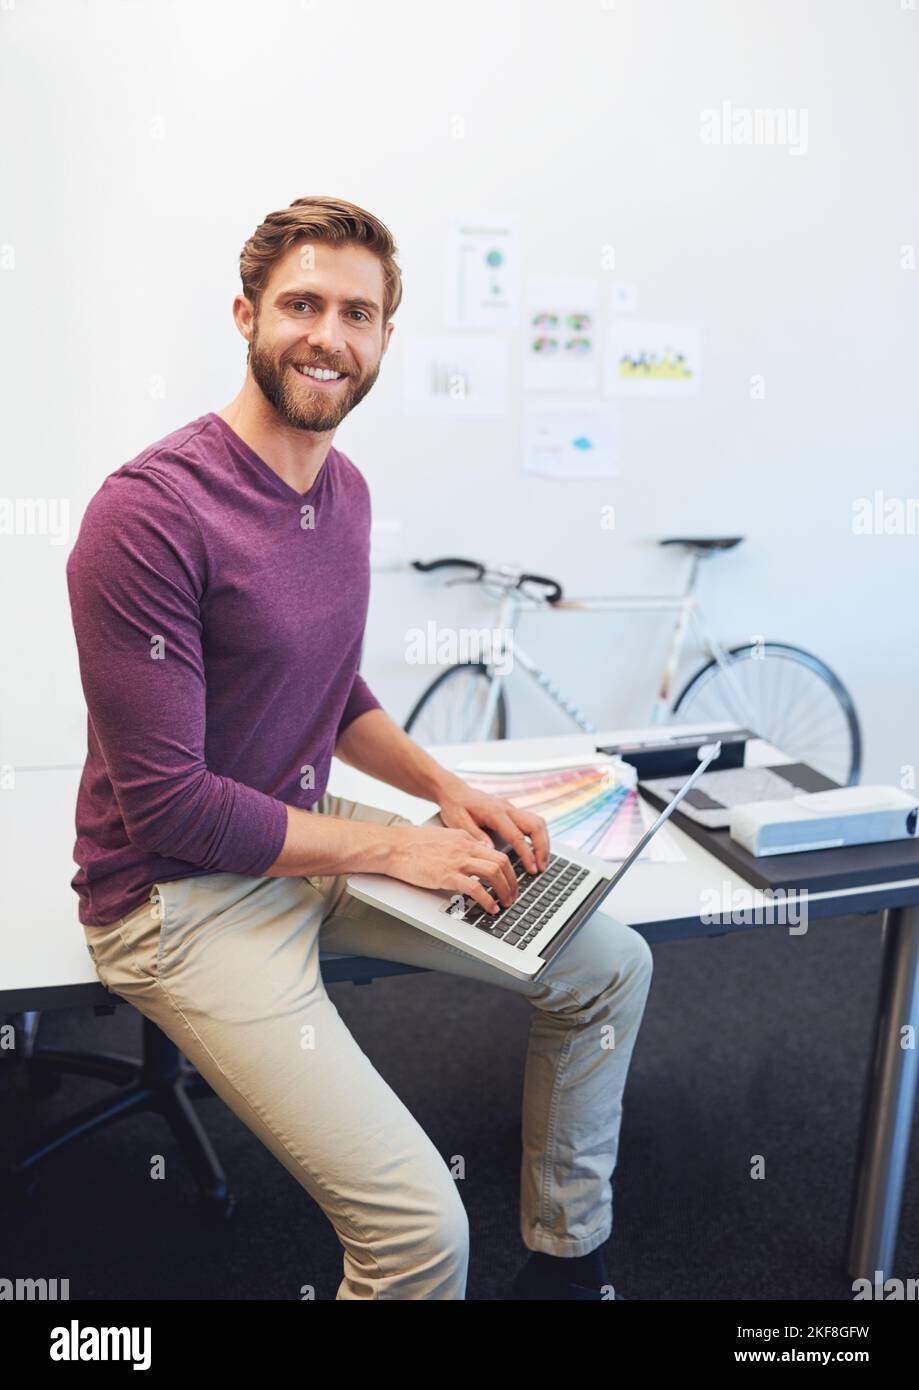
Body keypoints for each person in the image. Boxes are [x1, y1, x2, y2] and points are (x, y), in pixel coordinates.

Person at [66, 195, 653, 1301]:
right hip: (178, 899)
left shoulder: (342, 492)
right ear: (246, 314)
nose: (326, 335)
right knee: (422, 1240)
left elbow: (330, 689)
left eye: (356, 312)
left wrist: (447, 791)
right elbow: (173, 810)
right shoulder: (147, 514)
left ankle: (567, 1255)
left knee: (609, 964)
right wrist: (394, 851)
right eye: (300, 303)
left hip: (310, 851)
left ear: (385, 339)